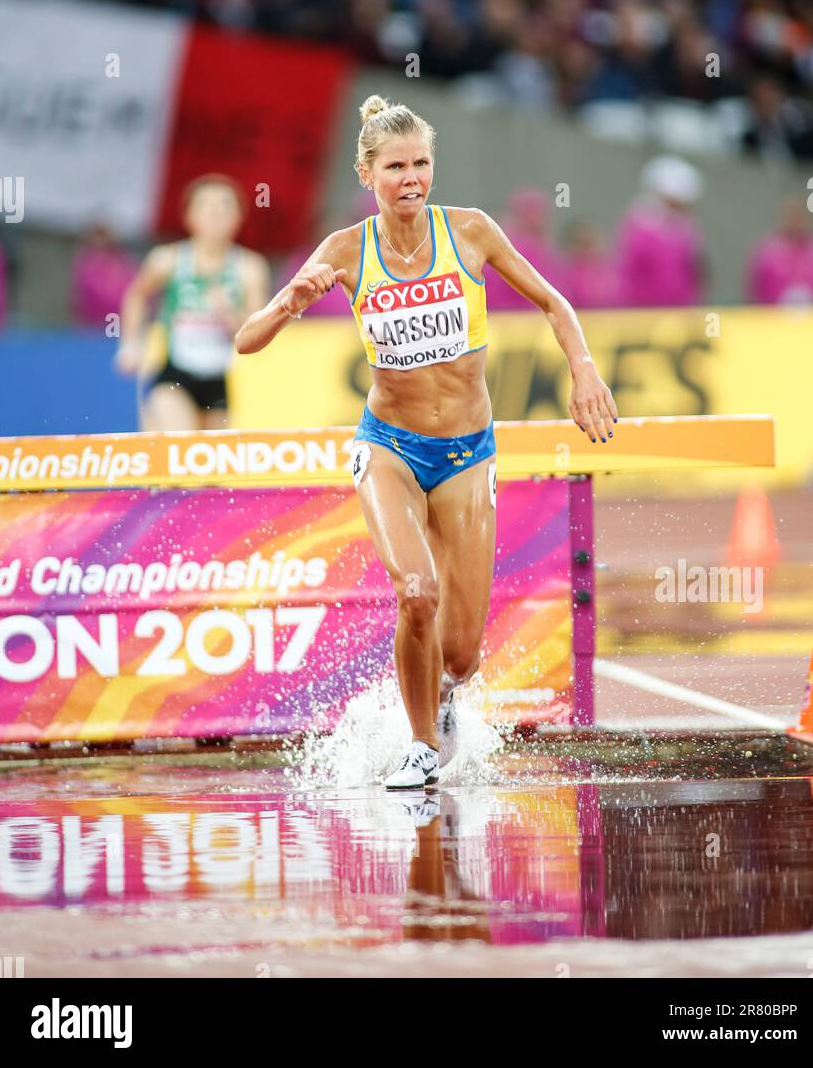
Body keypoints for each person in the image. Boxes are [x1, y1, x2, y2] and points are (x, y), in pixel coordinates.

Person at [235, 95, 617, 791]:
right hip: (389, 446)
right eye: (396, 167)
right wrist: (292, 300)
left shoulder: (469, 232)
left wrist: (583, 369)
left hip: (469, 453)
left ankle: (441, 702)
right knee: (416, 592)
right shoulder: (346, 251)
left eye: (421, 164)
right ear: (367, 173)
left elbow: (554, 304)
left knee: (463, 654)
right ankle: (416, 744)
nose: (411, 178)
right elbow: (246, 340)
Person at [116, 174, 270, 430]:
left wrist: (228, 313)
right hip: (175, 375)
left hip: (224, 381)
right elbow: (136, 296)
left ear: (238, 217)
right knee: (182, 442)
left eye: (224, 207)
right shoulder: (167, 259)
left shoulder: (250, 268)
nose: (215, 214)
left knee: (211, 461)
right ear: (189, 216)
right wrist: (131, 343)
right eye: (206, 207)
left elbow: (261, 333)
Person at [615, 155, 707, 307]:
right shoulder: (640, 226)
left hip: (677, 313)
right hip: (644, 313)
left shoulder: (686, 229)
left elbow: (695, 272)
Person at [745, 196, 813, 304]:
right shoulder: (765, 252)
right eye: (790, 215)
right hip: (772, 317)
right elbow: (753, 289)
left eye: (799, 216)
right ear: (781, 218)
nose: (795, 220)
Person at [69, 224, 138, 327]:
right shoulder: (85, 263)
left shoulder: (122, 262)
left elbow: (133, 289)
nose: (99, 244)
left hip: (117, 321)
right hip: (92, 324)